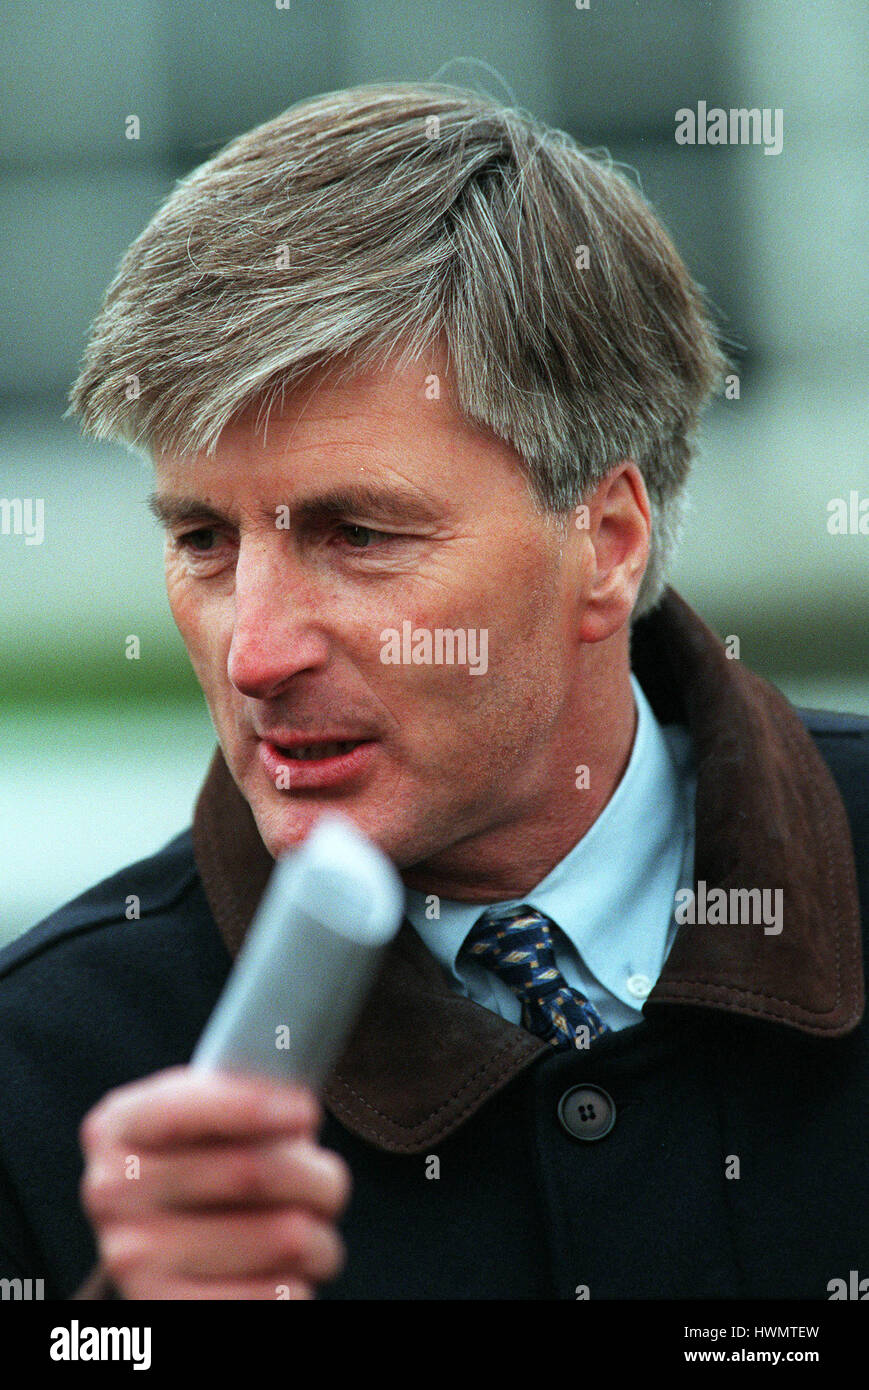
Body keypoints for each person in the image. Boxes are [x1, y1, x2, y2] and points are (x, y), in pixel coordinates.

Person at [1, 82, 866, 1302]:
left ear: (606, 540)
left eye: (355, 532)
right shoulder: (40, 1067)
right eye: (202, 539)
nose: (255, 653)